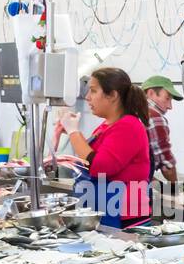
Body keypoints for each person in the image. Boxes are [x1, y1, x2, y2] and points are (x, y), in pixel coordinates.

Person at [53, 67, 152, 229]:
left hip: (124, 220)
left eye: (93, 91)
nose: (87, 97)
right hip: (103, 212)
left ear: (112, 95)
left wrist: (74, 132)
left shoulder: (129, 127)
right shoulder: (107, 126)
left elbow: (100, 167)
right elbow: (91, 158)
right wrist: (70, 133)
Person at [140, 74, 183, 185]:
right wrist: (175, 188)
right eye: (167, 98)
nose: (170, 106)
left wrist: (156, 184)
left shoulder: (130, 111)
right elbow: (166, 164)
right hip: (130, 192)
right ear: (150, 93)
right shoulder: (154, 117)